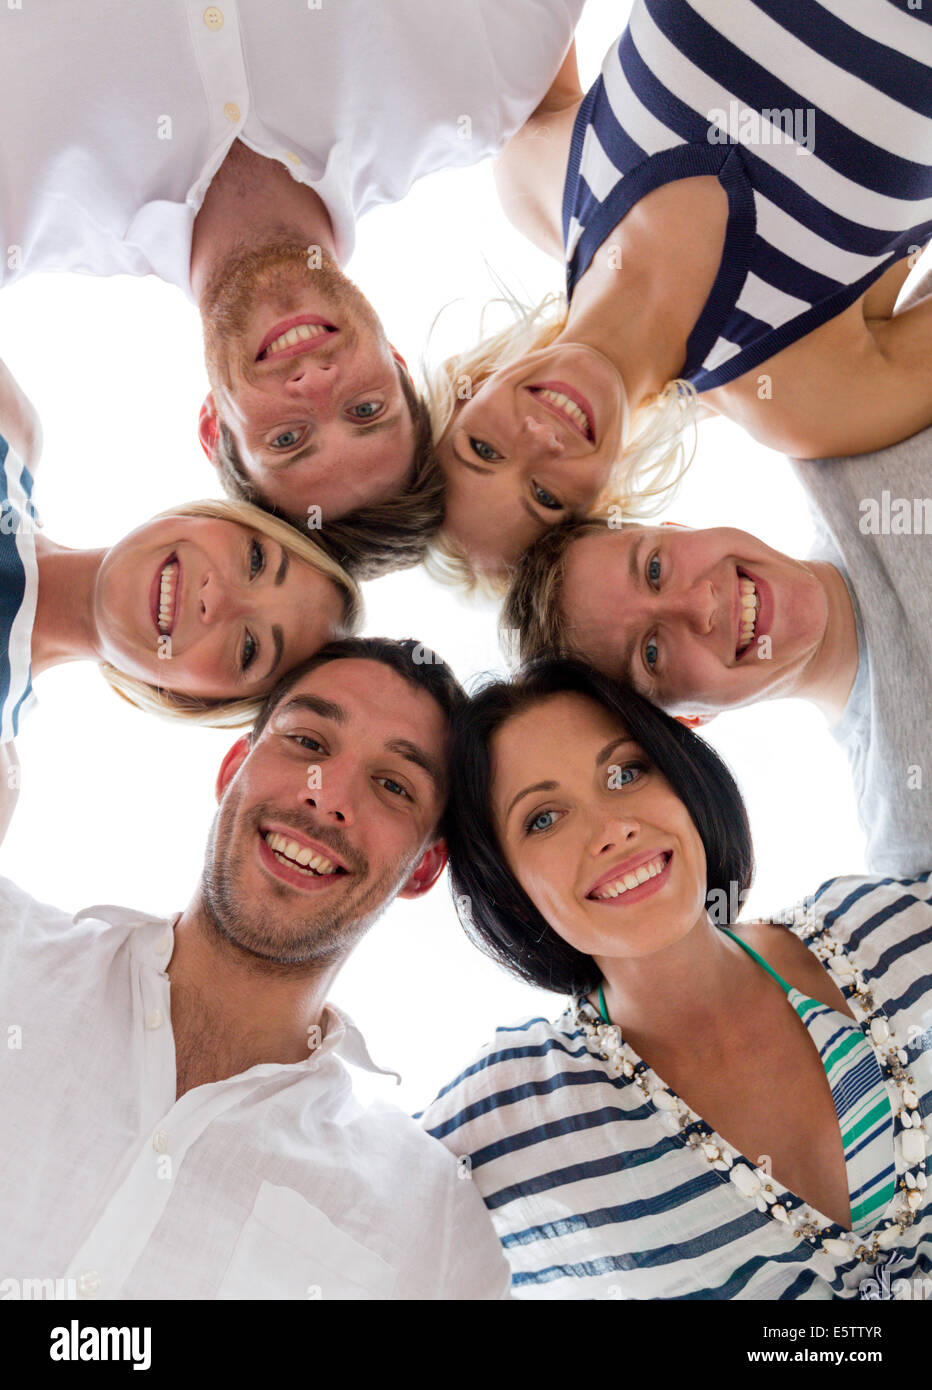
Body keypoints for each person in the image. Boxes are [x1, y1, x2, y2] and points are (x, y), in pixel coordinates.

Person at [0, 636, 510, 1299]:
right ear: (232, 769)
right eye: (308, 744)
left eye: (392, 785)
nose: (328, 798)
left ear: (424, 868)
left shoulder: (433, 1222)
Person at [0, 0, 583, 577]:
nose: (315, 384)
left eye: (286, 437)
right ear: (397, 362)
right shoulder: (480, 84)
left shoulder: (16, 211)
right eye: (365, 408)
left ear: (214, 428)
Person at [419, 659, 932, 1299]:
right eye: (544, 818)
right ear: (509, 888)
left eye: (626, 773)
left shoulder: (896, 928)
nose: (613, 829)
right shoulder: (513, 1117)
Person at [428, 4, 932, 581]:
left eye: (483, 450)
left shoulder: (536, 181)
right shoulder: (804, 399)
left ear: (463, 394)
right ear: (602, 508)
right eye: (545, 497)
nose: (539, 439)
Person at [0, 360, 360, 753]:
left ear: (195, 700)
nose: (217, 598)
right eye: (256, 561)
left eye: (249, 649)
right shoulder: (11, 428)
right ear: (218, 517)